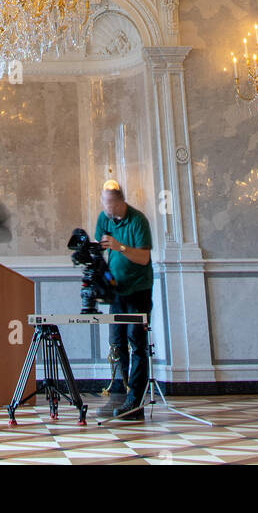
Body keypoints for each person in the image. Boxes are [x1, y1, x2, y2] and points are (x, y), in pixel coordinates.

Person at [94, 180, 153, 421]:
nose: (105, 208)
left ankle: (135, 401)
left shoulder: (138, 221)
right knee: (116, 342)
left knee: (136, 341)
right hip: (116, 290)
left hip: (139, 289)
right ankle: (119, 394)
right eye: (103, 203)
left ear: (120, 201)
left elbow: (144, 258)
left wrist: (119, 247)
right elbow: (99, 247)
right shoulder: (103, 218)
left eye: (109, 203)